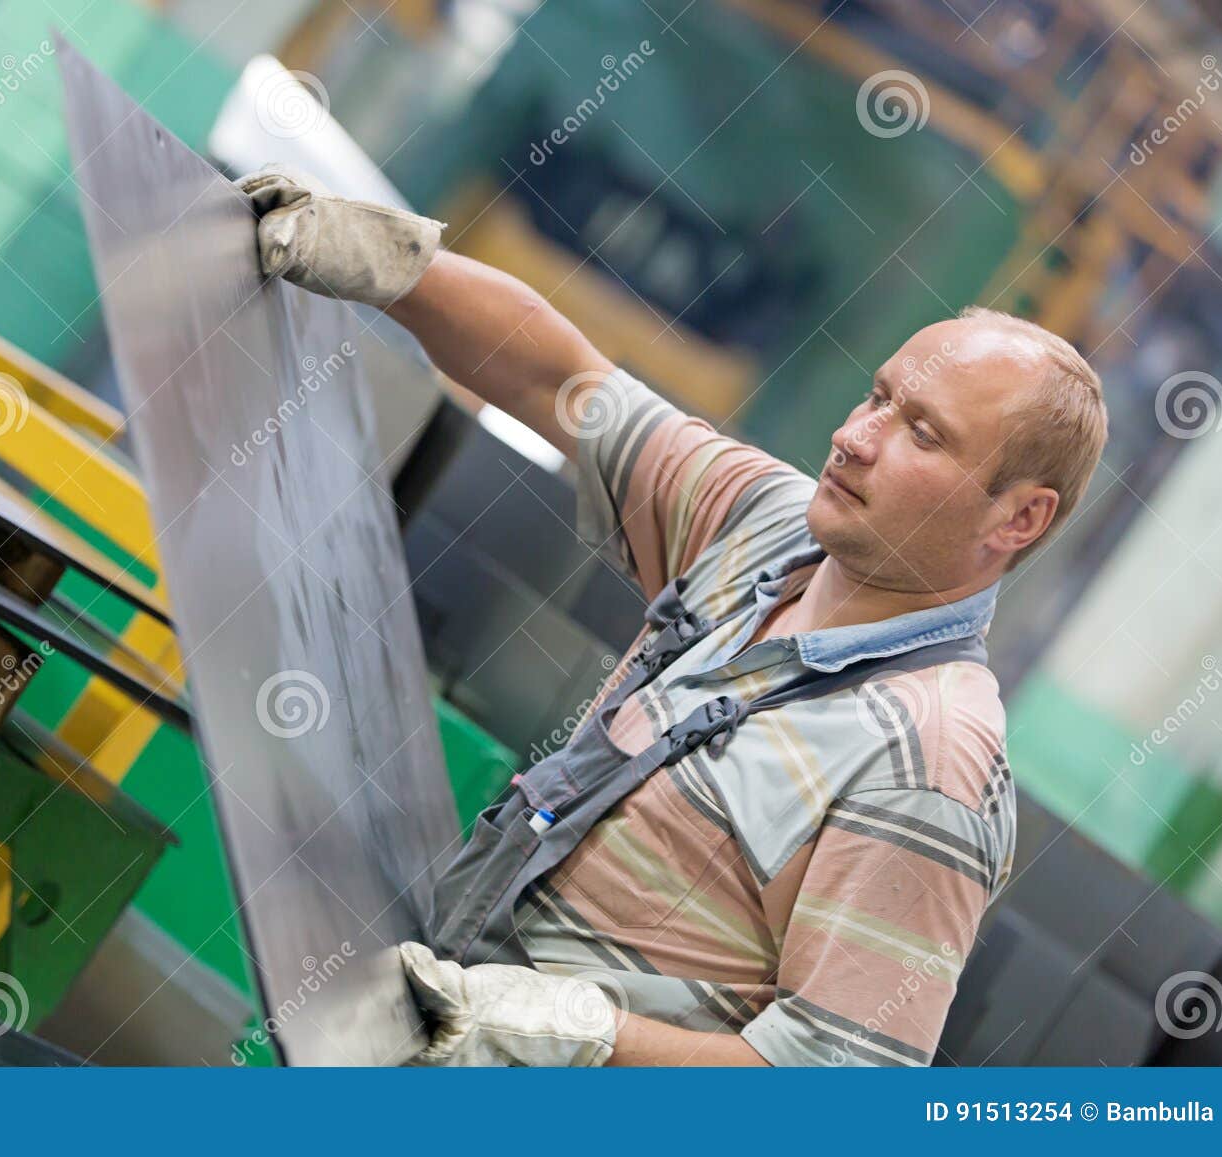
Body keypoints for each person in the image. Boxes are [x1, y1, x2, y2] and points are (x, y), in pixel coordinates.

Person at [240, 169, 1108, 1067]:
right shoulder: (766, 525)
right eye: (879, 395)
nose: (858, 436)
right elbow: (560, 380)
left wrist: (581, 1040)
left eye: (923, 433)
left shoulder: (931, 761)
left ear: (1019, 518)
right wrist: (380, 261)